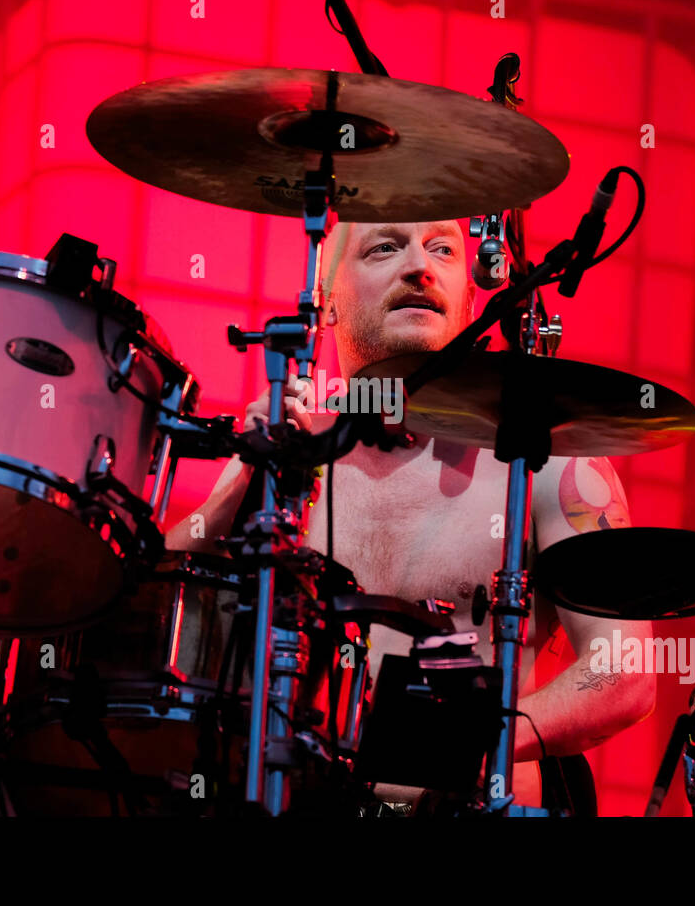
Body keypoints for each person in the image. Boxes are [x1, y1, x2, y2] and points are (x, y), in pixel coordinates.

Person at [167, 219, 656, 808]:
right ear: (328, 304)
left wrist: (465, 743)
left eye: (443, 249)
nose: (420, 266)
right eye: (385, 247)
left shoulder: (546, 457)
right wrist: (245, 472)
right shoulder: (285, 449)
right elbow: (157, 609)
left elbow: (624, 674)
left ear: (472, 297)